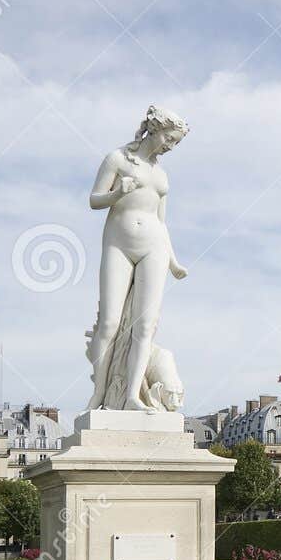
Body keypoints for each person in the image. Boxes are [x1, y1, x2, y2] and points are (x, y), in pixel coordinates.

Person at [86, 106, 190, 411]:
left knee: (146, 326)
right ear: (156, 130)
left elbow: (161, 221)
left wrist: (173, 261)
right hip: (118, 243)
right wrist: (117, 193)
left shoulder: (161, 174)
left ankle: (132, 396)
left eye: (176, 143)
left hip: (154, 247)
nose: (171, 146)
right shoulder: (117, 158)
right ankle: (100, 395)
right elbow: (94, 200)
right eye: (171, 138)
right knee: (109, 323)